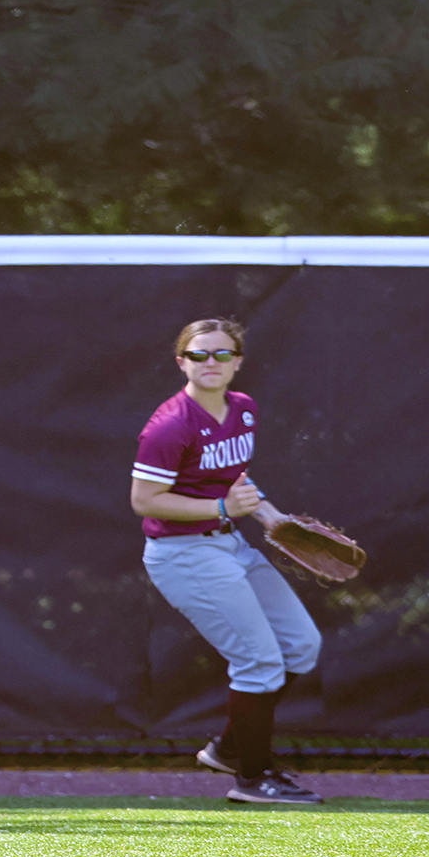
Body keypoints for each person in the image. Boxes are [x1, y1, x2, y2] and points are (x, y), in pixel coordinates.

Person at [130, 319, 324, 805]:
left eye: (221, 354)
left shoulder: (243, 410)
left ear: (238, 362)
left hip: (229, 543)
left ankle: (230, 748)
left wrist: (273, 519)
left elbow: (235, 482)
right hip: (184, 554)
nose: (210, 363)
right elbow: (144, 500)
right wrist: (221, 510)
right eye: (199, 355)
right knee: (258, 661)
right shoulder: (169, 425)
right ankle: (253, 779)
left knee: (301, 645)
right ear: (182, 362)